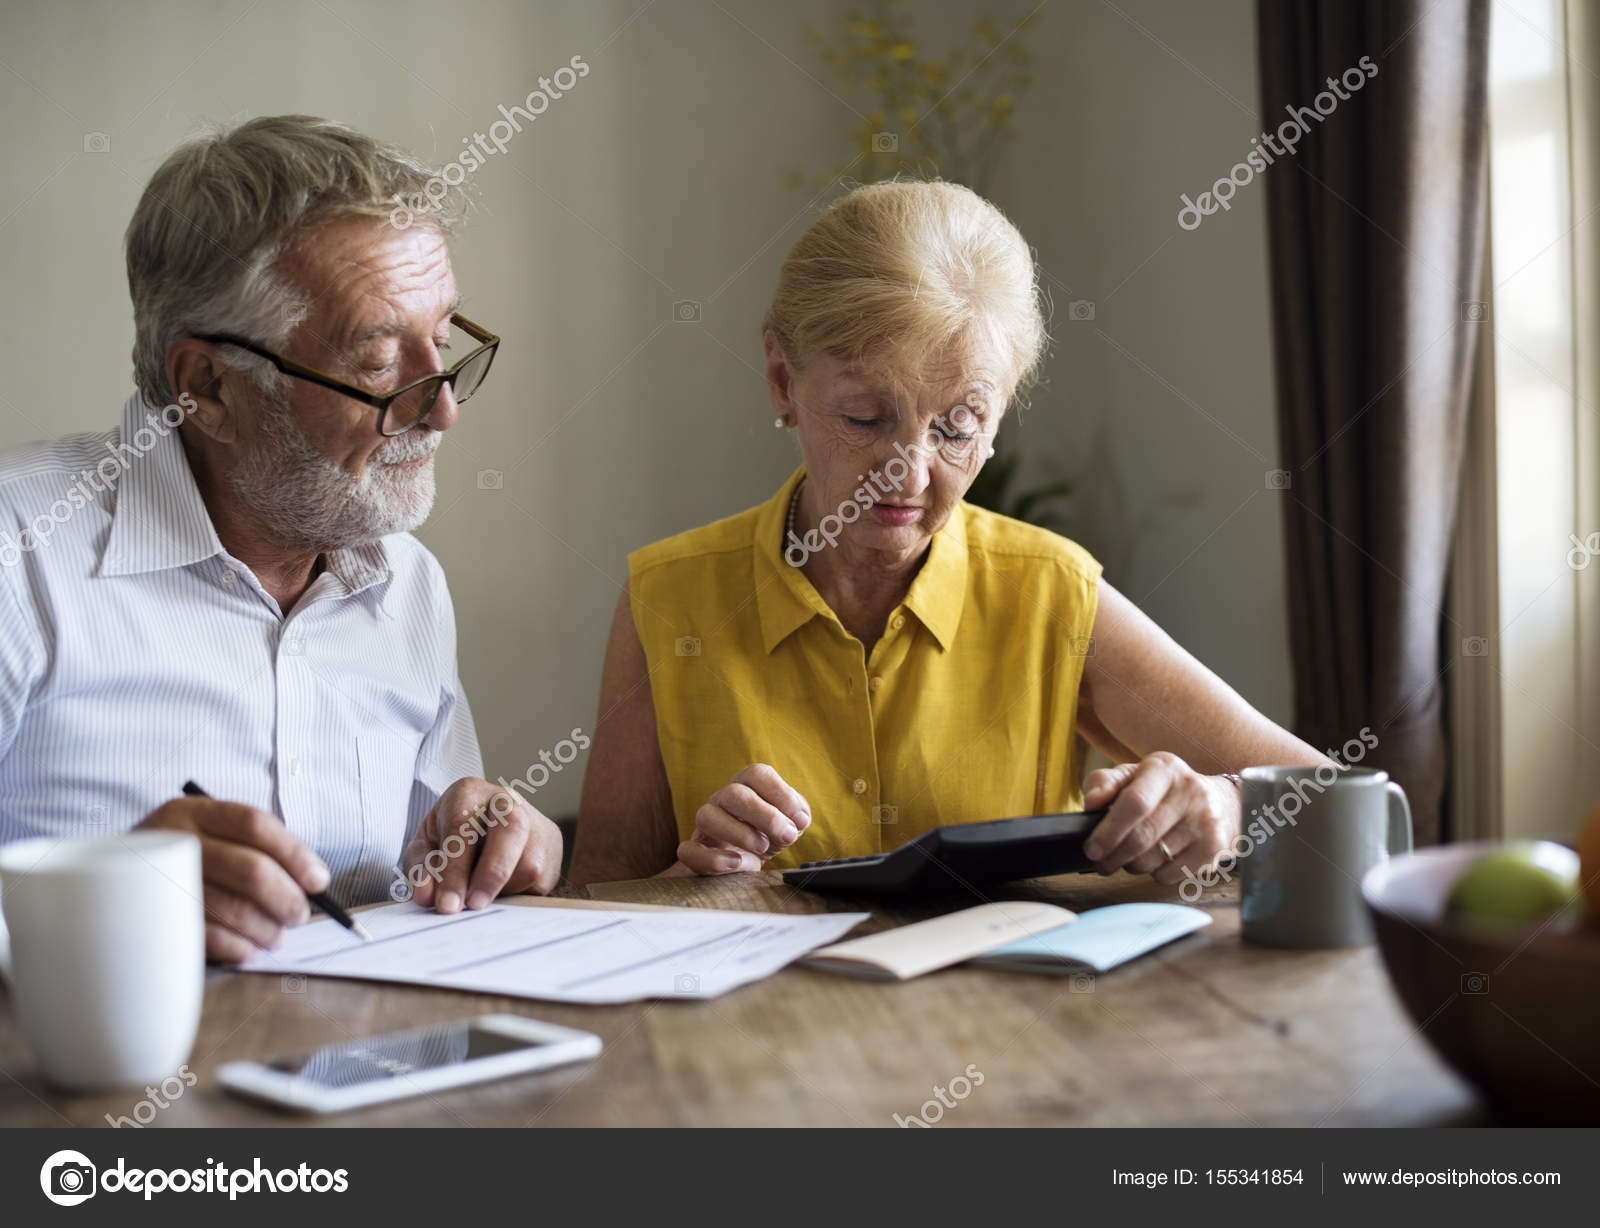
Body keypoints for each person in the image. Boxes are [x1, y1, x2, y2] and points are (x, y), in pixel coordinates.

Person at [571, 180, 1330, 887]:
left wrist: (1231, 807)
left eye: (957, 427)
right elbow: (591, 908)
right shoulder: (668, 597)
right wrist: (687, 884)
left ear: (998, 417)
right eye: (865, 420)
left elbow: (1342, 802)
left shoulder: (1049, 593)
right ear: (782, 382)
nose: (906, 475)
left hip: (1005, 1024)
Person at [0, 116, 561, 962]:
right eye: (378, 364)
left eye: (441, 343)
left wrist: (496, 843)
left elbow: (436, 879)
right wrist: (110, 904)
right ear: (210, 386)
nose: (439, 407)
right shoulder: (20, 553)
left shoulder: (404, 580)